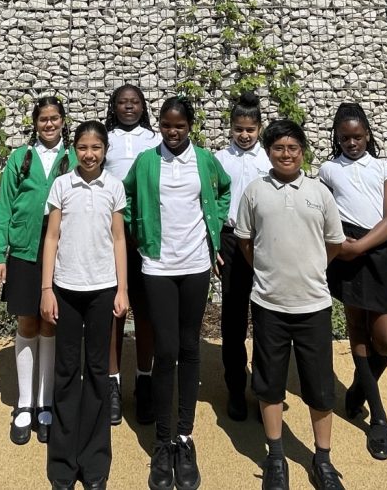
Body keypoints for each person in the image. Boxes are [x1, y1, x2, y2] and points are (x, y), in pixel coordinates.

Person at [123, 95, 230, 490]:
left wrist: (213, 230)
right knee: (165, 351)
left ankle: (185, 438)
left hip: (196, 265)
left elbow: (223, 191)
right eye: (166, 126)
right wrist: (138, 233)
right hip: (158, 267)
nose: (172, 132)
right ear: (160, 126)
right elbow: (128, 196)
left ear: (190, 126)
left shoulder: (203, 159)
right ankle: (163, 442)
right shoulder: (147, 161)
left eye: (179, 126)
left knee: (189, 348)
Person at [234, 118, 348, 490]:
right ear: (269, 152)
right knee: (268, 385)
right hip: (269, 305)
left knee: (320, 388)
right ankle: (276, 457)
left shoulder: (320, 192)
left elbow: (333, 244)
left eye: (293, 148)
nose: (286, 154)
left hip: (313, 305)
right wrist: (270, 273)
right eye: (279, 148)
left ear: (303, 152)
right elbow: (246, 244)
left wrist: (311, 269)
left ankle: (323, 459)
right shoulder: (254, 191)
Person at [40, 120, 130, 490]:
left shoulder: (114, 187)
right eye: (82, 148)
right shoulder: (62, 185)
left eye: (96, 148)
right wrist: (46, 288)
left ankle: (94, 463)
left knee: (97, 372)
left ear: (105, 150)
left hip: (103, 290)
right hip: (66, 289)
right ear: (73, 150)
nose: (89, 154)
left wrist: (123, 289)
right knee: (65, 372)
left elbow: (119, 239)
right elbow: (52, 237)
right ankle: (62, 463)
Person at [0, 96, 76, 446]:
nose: (49, 124)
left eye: (55, 118)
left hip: (62, 249)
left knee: (50, 322)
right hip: (24, 251)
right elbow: (5, 205)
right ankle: (24, 403)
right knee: (27, 321)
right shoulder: (19, 158)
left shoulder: (73, 157)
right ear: (35, 123)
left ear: (63, 121)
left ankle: (45, 401)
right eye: (43, 119)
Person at [318, 102, 387, 462]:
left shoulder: (384, 167)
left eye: (357, 136)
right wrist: (340, 248)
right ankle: (379, 419)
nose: (352, 143)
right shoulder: (327, 169)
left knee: (384, 337)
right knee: (356, 326)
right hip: (344, 245)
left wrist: (359, 248)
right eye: (345, 137)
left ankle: (358, 389)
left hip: (374, 248)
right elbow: (322, 210)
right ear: (337, 138)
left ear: (368, 134)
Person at [102, 83, 161, 425]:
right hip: (110, 232)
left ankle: (144, 379)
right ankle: (112, 384)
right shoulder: (105, 138)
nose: (128, 107)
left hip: (143, 233)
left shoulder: (152, 140)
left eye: (134, 102)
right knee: (114, 309)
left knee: (146, 310)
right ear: (114, 106)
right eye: (122, 102)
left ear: (142, 107)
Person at [213, 91, 267, 421]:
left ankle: (263, 391)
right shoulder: (220, 159)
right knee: (233, 318)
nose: (244, 135)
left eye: (250, 129)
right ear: (231, 128)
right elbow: (212, 201)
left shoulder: (269, 159)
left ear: (260, 127)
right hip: (231, 241)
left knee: (265, 319)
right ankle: (235, 388)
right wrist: (214, 245)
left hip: (264, 243)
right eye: (238, 129)